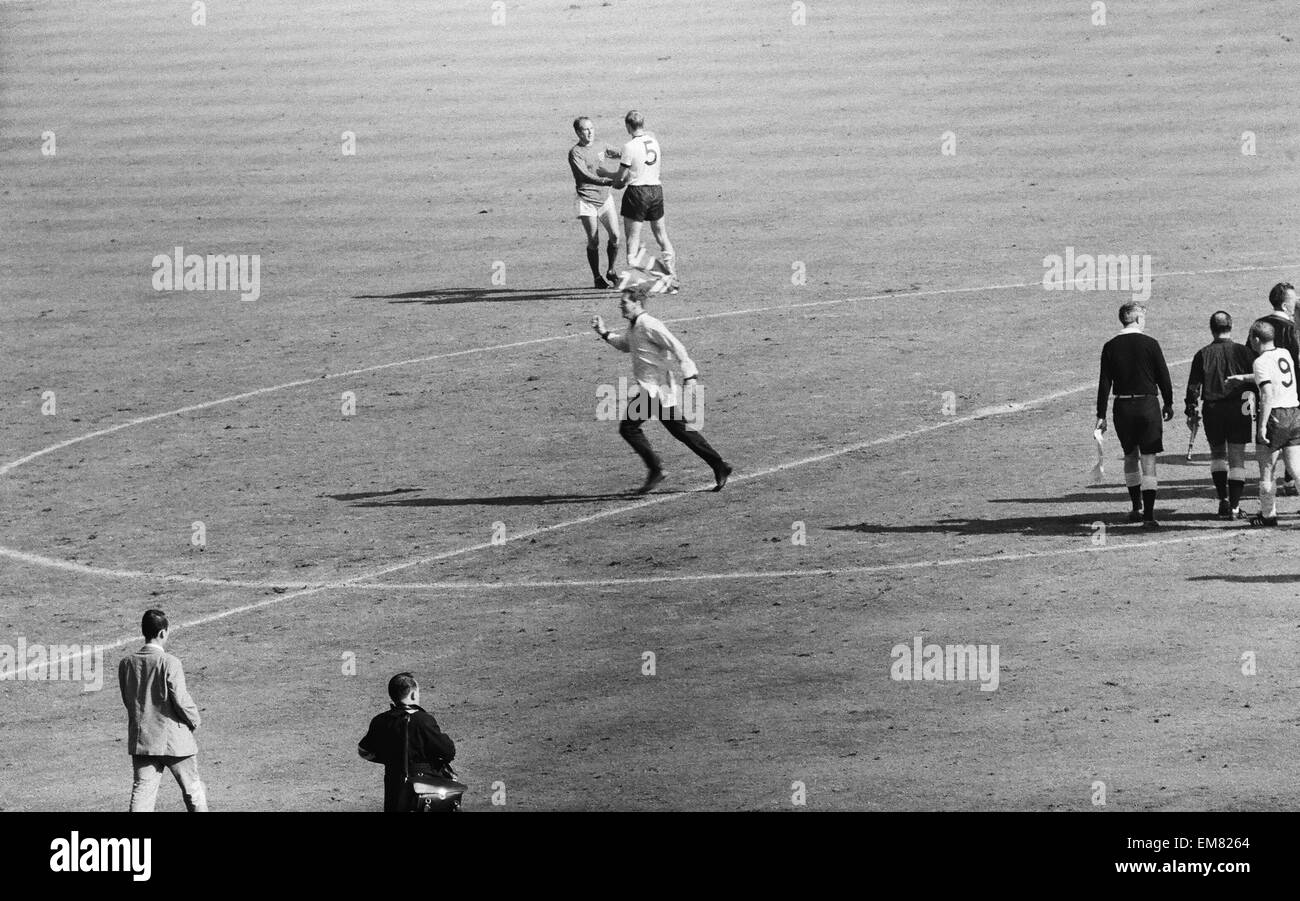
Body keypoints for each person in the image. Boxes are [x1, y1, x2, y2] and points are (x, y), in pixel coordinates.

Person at [592, 283, 731, 493]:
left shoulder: (649, 325)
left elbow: (677, 347)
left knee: (629, 428)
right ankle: (719, 465)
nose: (620, 306)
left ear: (637, 303)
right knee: (683, 432)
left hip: (656, 391)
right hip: (653, 391)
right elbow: (626, 345)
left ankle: (656, 469)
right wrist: (604, 333)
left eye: (624, 303)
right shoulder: (635, 324)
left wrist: (690, 375)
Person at [118, 609, 207, 812]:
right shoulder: (170, 662)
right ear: (162, 633)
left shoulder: (127, 664)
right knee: (193, 791)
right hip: (175, 740)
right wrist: (194, 720)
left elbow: (128, 700)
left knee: (142, 794)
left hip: (144, 739)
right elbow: (181, 700)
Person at [1095, 301, 1174, 527]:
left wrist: (1101, 414)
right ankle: (1149, 515)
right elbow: (1163, 376)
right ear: (1138, 319)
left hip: (1123, 408)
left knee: (1130, 456)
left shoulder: (1110, 346)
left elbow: (1104, 383)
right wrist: (1168, 402)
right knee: (1148, 459)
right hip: (1148, 405)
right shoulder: (1150, 343)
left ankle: (1135, 507)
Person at [1184, 311, 1254, 519]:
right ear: (1231, 326)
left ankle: (1223, 499)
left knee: (1217, 454)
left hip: (1213, 409)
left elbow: (1193, 387)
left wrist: (1191, 410)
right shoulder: (1244, 352)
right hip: (1240, 408)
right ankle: (1234, 507)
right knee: (1237, 457)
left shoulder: (1202, 354)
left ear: (1211, 329)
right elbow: (1256, 382)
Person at [358, 672, 456, 812]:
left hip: (395, 787)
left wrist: (388, 759)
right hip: (426, 789)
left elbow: (364, 751)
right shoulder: (423, 720)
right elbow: (448, 751)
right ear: (413, 695)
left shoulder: (380, 721)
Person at [610, 110, 678, 292]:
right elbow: (641, 157)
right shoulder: (653, 141)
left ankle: (645, 281)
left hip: (637, 193)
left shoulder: (629, 146)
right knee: (662, 236)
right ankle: (673, 276)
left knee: (632, 242)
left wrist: (609, 178)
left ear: (627, 126)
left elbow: (621, 180)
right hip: (656, 190)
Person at [1241, 321, 1300, 526]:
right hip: (1294, 413)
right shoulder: (1284, 353)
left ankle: (1268, 515)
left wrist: (1262, 426)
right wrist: (1242, 378)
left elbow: (1266, 395)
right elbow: (1272, 377)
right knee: (1296, 468)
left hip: (1275, 415)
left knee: (1267, 468)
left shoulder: (1260, 362)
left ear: (1256, 339)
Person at [1250, 282, 1300, 494]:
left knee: (1268, 465)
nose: (1296, 303)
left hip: (1270, 400)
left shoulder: (1258, 325)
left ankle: (1268, 512)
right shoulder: (1292, 330)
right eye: (1293, 300)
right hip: (1292, 398)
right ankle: (1289, 482)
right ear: (1285, 304)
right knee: (1294, 456)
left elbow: (1248, 357)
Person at [568, 116, 622, 288]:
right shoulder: (575, 153)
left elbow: (620, 153)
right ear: (578, 132)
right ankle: (597, 277)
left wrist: (635, 151)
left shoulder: (601, 145)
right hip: (586, 200)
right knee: (593, 240)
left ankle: (611, 271)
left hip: (605, 199)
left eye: (591, 128)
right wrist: (605, 181)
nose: (590, 132)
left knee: (615, 236)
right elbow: (584, 175)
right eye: (585, 129)